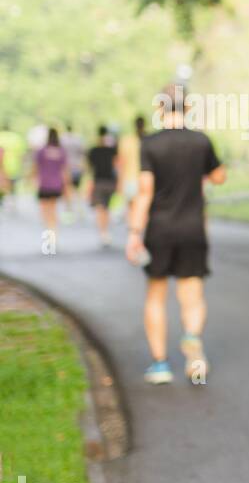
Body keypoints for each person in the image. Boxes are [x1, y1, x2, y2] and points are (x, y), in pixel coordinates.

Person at [125, 86, 226, 384]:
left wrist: (134, 232)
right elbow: (219, 176)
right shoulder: (201, 141)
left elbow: (145, 192)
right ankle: (192, 339)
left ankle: (160, 365)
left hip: (160, 230)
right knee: (192, 295)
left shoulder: (150, 144)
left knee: (156, 296)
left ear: (160, 110)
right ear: (188, 109)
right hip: (193, 228)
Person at [31, 126, 70, 242]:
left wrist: (33, 179)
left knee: (45, 210)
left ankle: (48, 231)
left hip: (44, 184)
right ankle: (54, 232)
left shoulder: (42, 151)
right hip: (57, 184)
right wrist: (67, 185)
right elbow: (65, 170)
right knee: (53, 209)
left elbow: (35, 167)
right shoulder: (61, 151)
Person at [86, 125, 119, 247]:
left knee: (100, 208)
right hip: (110, 181)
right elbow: (117, 166)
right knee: (106, 208)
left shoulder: (93, 150)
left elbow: (89, 168)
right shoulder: (112, 150)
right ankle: (105, 232)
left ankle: (103, 233)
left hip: (99, 181)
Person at [118, 115, 145, 214]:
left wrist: (120, 182)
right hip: (145, 179)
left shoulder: (126, 141)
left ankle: (133, 227)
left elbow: (122, 163)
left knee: (131, 209)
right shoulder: (149, 140)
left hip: (129, 179)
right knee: (142, 208)